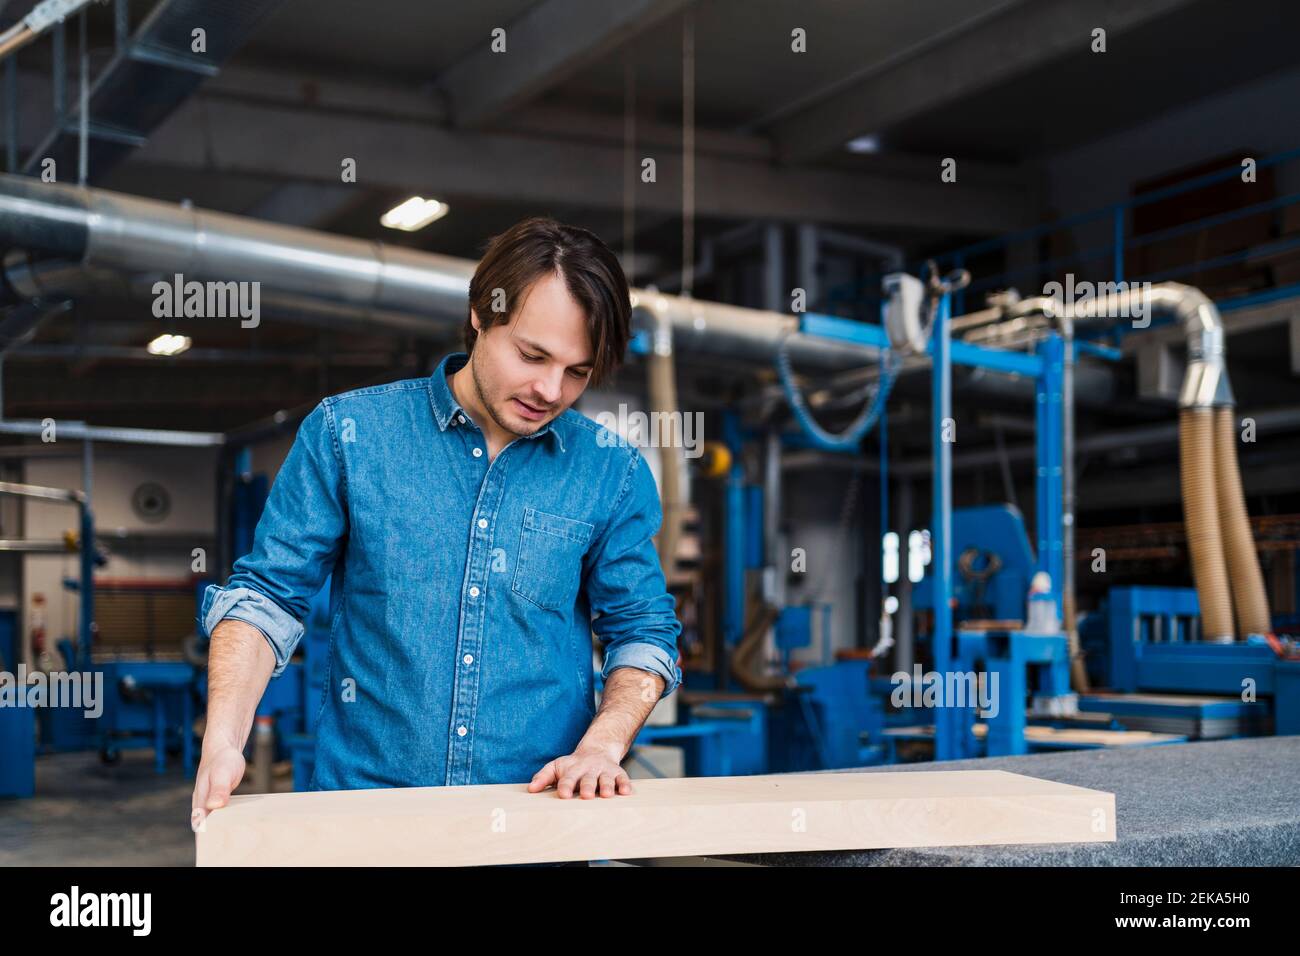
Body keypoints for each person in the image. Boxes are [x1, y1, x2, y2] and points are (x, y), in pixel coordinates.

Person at [191, 217, 682, 840]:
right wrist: (225, 738)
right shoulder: (350, 436)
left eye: (577, 372)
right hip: (366, 828)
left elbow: (643, 631)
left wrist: (603, 745)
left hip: (538, 829)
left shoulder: (611, 473)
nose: (549, 389)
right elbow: (266, 597)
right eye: (532, 355)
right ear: (481, 311)